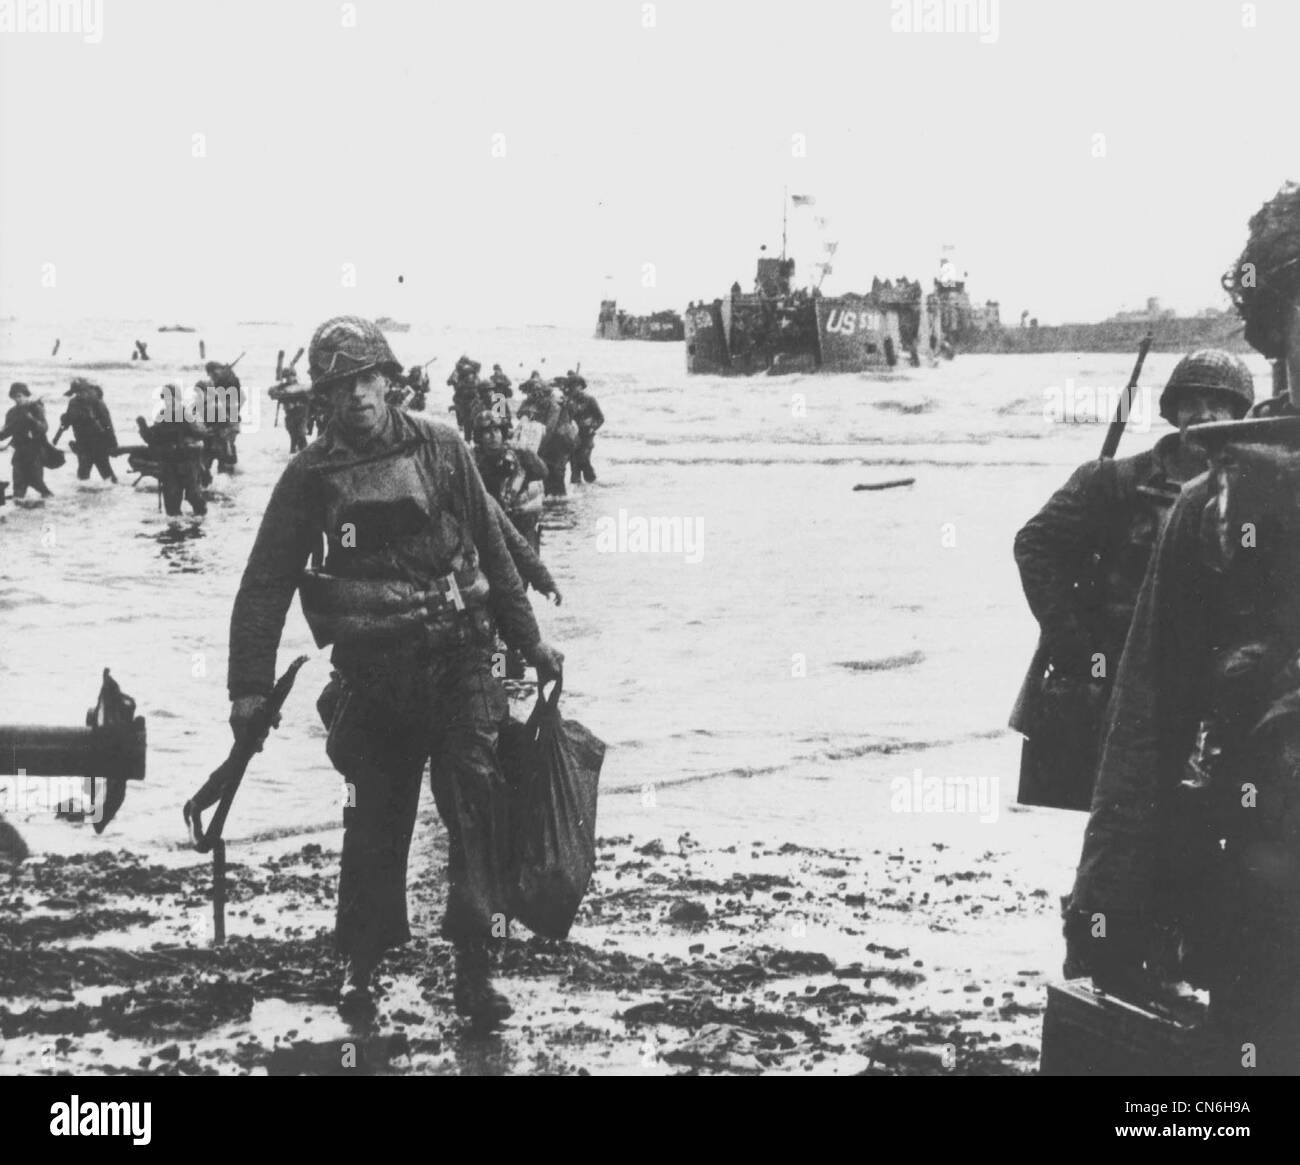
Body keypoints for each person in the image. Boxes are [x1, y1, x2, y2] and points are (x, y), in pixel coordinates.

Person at [226, 316, 563, 1026]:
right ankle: (361, 965)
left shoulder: (442, 445)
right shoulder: (310, 474)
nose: (356, 397)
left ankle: (475, 967)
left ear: (389, 379)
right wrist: (248, 688)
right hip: (375, 671)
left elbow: (496, 553)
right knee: (374, 813)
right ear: (325, 397)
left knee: (472, 793)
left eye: (366, 379)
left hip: (460, 657)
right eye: (341, 385)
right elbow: (265, 583)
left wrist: (531, 644)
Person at [1066, 182, 1300, 1073]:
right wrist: (1108, 911)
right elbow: (1144, 731)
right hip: (1265, 903)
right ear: (1277, 330)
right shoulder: (1212, 507)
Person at [1012, 350, 1255, 811]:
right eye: (1192, 400)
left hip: (1207, 682)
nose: (1204, 413)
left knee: (1203, 815)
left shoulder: (1252, 491)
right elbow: (1034, 547)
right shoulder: (1112, 483)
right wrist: (1076, 647)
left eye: (1219, 403)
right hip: (1119, 677)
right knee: (1111, 809)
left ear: (1238, 415)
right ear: (1173, 410)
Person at [472, 411, 546, 550]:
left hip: (520, 523)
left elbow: (542, 472)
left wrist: (527, 453)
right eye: (487, 432)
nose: (493, 436)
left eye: (497, 430)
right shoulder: (474, 460)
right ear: (480, 437)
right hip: (491, 525)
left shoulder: (517, 455)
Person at [137, 384, 208, 516]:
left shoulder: (188, 414)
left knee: (193, 496)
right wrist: (143, 428)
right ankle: (176, 530)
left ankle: (201, 520)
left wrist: (188, 427)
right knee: (171, 501)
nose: (168, 401)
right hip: (169, 462)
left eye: (171, 398)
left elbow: (202, 432)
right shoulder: (162, 416)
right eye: (165, 398)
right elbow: (153, 438)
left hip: (188, 461)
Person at [58, 378, 118, 483]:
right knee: (83, 473)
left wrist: (112, 442)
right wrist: (65, 419)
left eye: (81, 391)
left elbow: (107, 423)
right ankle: (84, 495)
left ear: (87, 390)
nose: (79, 394)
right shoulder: (73, 403)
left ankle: (115, 490)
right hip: (82, 443)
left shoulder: (96, 402)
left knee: (105, 470)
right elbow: (69, 420)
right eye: (77, 392)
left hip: (99, 442)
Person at [0, 383, 54, 500]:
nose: (17, 399)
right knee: (18, 481)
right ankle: (19, 506)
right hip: (20, 451)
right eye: (14, 397)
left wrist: (31, 419)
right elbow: (7, 431)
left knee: (36, 480)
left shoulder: (35, 409)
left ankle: (50, 502)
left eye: (19, 396)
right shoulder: (12, 412)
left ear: (26, 395)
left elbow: (44, 428)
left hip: (35, 451)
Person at [563, 377, 605, 484]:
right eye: (572, 387)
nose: (575, 389)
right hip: (574, 436)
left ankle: (592, 481)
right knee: (574, 465)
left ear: (581, 387)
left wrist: (592, 427)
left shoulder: (590, 400)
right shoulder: (569, 401)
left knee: (583, 459)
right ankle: (577, 489)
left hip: (587, 435)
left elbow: (600, 418)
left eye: (577, 387)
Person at [270, 366, 311, 455]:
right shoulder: (283, 387)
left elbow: (309, 400)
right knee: (293, 436)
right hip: (290, 415)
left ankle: (304, 454)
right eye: (286, 377)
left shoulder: (299, 388)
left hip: (301, 413)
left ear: (294, 376)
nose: (288, 379)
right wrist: (278, 391)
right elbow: (271, 392)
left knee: (301, 435)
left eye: (290, 376)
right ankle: (295, 454)